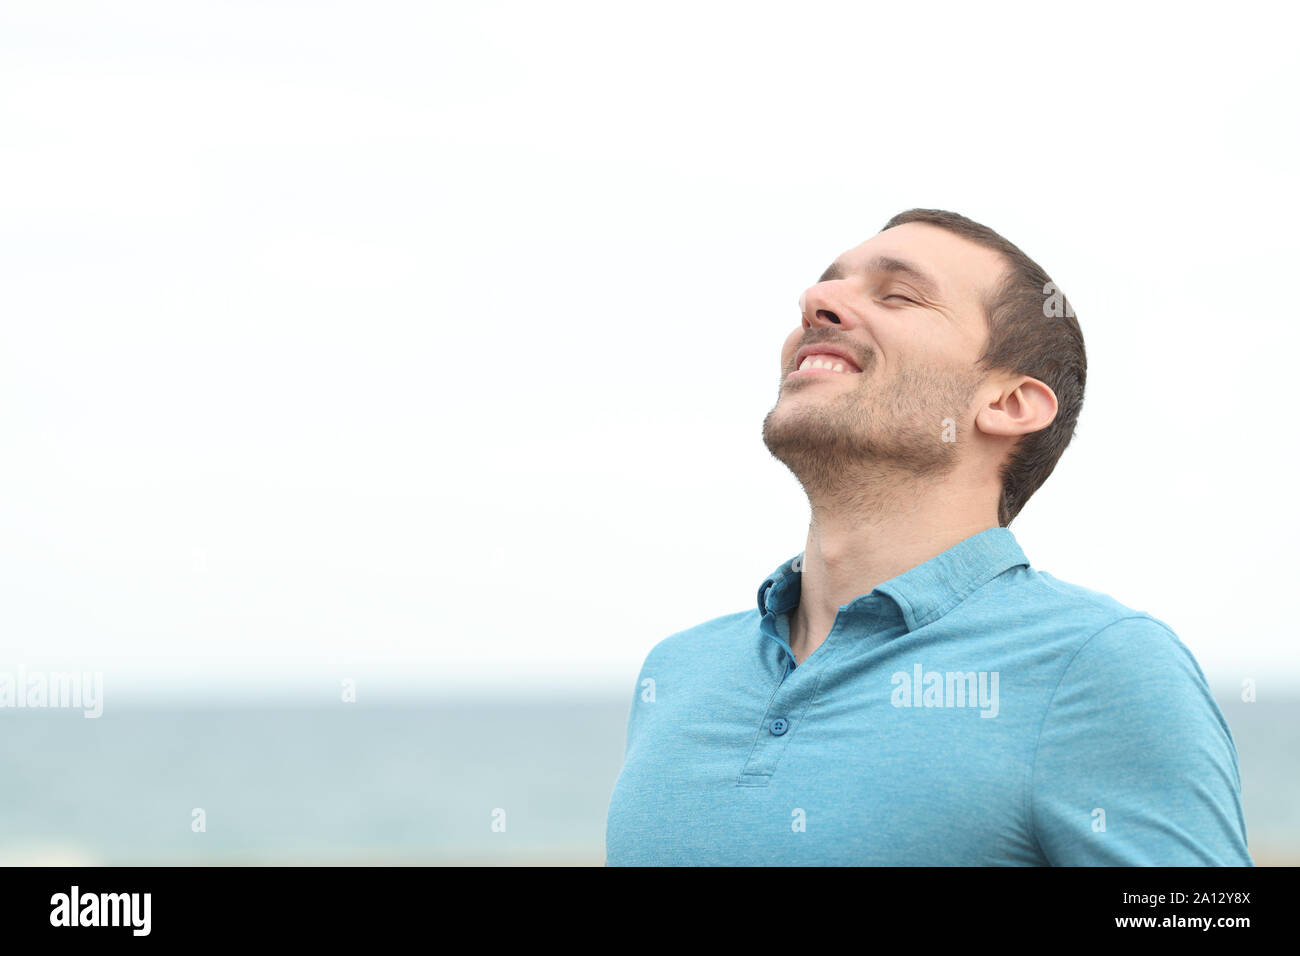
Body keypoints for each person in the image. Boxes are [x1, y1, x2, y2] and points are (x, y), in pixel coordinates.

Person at [604, 208, 1252, 866]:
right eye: (825, 285)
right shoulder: (676, 672)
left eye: (897, 295)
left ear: (1008, 404)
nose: (815, 300)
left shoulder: (1101, 666)